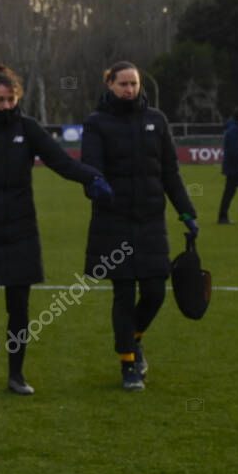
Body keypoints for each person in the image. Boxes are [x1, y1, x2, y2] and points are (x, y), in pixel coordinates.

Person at [0, 65, 110, 395]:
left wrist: (91, 177)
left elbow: (61, 162)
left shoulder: (27, 129)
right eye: (0, 100)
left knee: (19, 308)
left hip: (21, 231)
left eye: (11, 100)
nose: (6, 106)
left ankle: (16, 374)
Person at [81, 61, 198, 391]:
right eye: (123, 84)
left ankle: (134, 338)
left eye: (134, 84)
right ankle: (128, 364)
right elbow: (90, 168)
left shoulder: (156, 120)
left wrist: (186, 212)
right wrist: (95, 186)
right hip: (113, 221)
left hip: (150, 222)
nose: (129, 89)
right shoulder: (96, 123)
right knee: (123, 293)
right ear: (110, 85)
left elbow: (170, 172)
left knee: (155, 292)